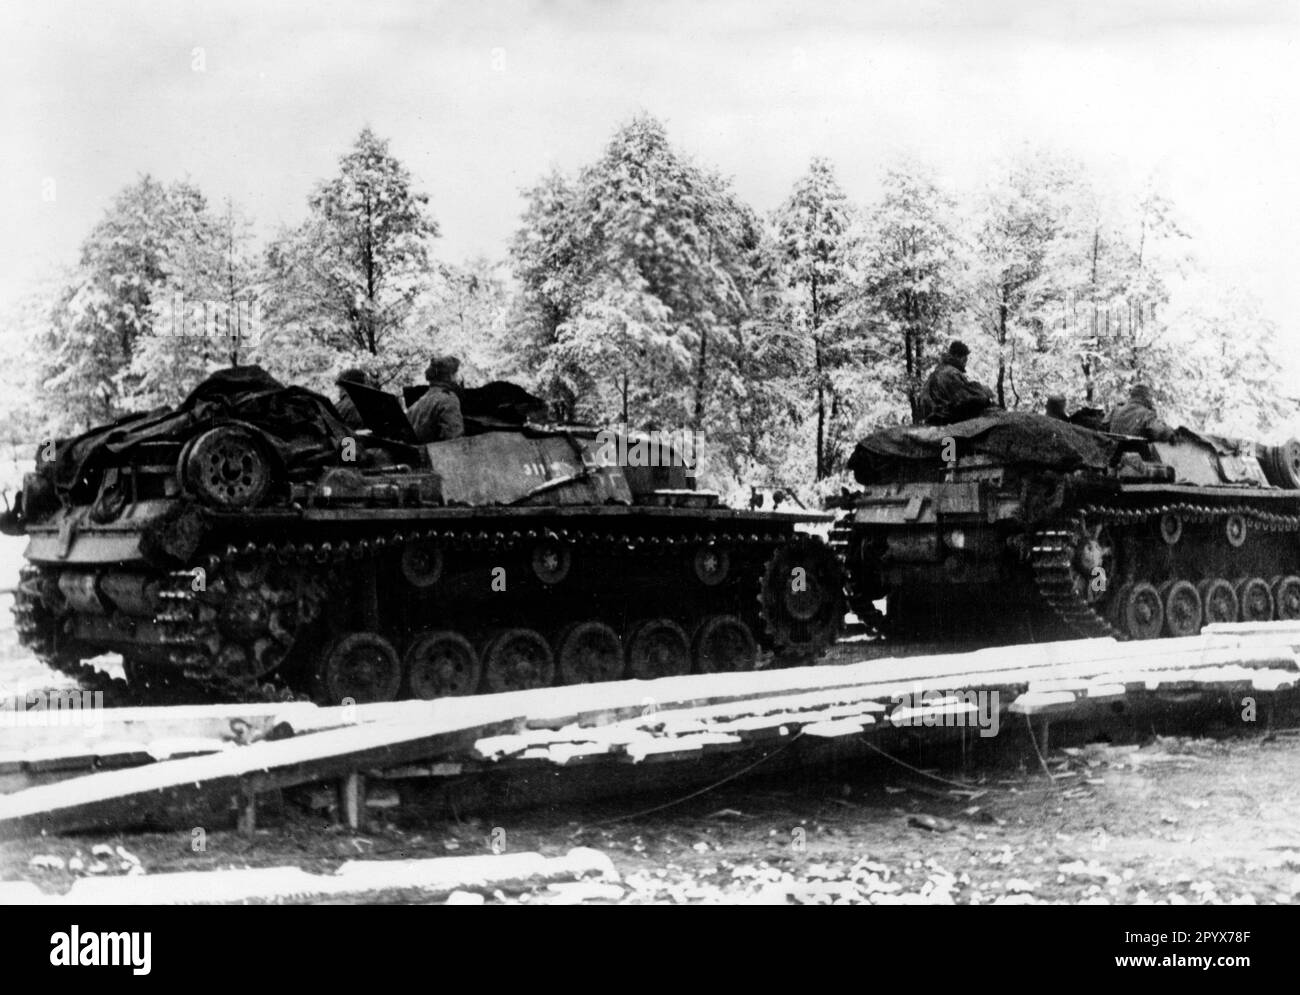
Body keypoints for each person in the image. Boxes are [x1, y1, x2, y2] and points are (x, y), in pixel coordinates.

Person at [916, 340, 998, 425]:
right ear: (956, 356)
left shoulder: (935, 373)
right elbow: (965, 399)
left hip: (932, 420)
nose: (965, 363)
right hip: (946, 421)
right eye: (964, 359)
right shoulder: (951, 373)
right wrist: (985, 394)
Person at [408, 354, 464, 443]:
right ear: (450, 376)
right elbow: (454, 441)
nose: (458, 378)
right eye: (456, 373)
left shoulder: (418, 403)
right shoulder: (448, 400)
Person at [1106, 383, 1175, 441]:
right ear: (1145, 397)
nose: (1151, 400)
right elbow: (1157, 432)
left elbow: (1103, 424)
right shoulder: (1147, 414)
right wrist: (1170, 431)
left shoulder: (1116, 410)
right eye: (1150, 397)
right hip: (1134, 451)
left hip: (1113, 450)